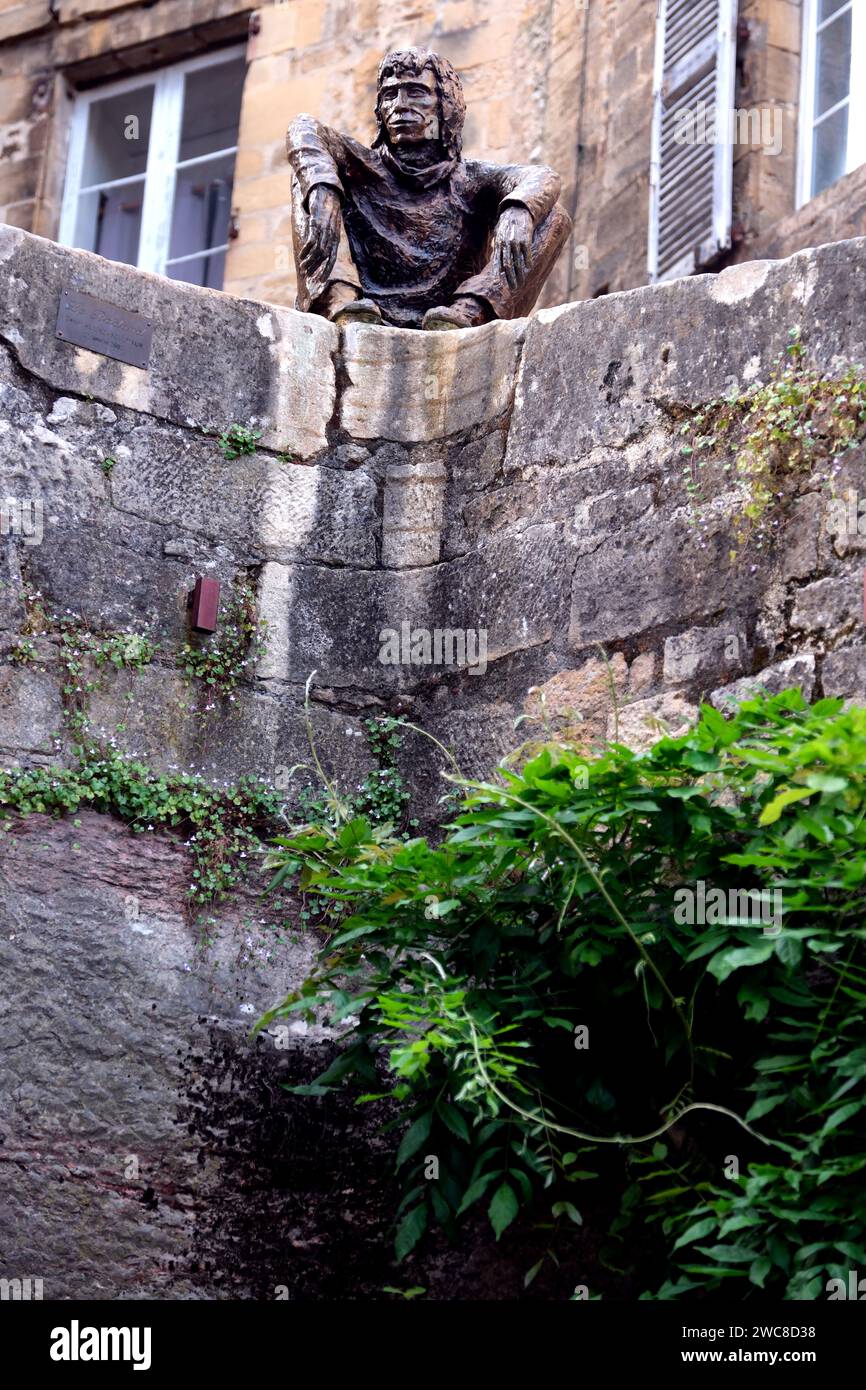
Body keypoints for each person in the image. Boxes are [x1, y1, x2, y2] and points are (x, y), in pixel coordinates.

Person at [286, 47, 571, 330]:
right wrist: (323, 188)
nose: (400, 105)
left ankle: (472, 311)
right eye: (389, 95)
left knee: (551, 216)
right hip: (363, 309)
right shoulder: (361, 166)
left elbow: (542, 176)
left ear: (445, 105)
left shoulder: (470, 179)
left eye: (416, 92)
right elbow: (303, 127)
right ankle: (338, 300)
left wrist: (519, 209)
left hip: (445, 316)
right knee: (311, 176)